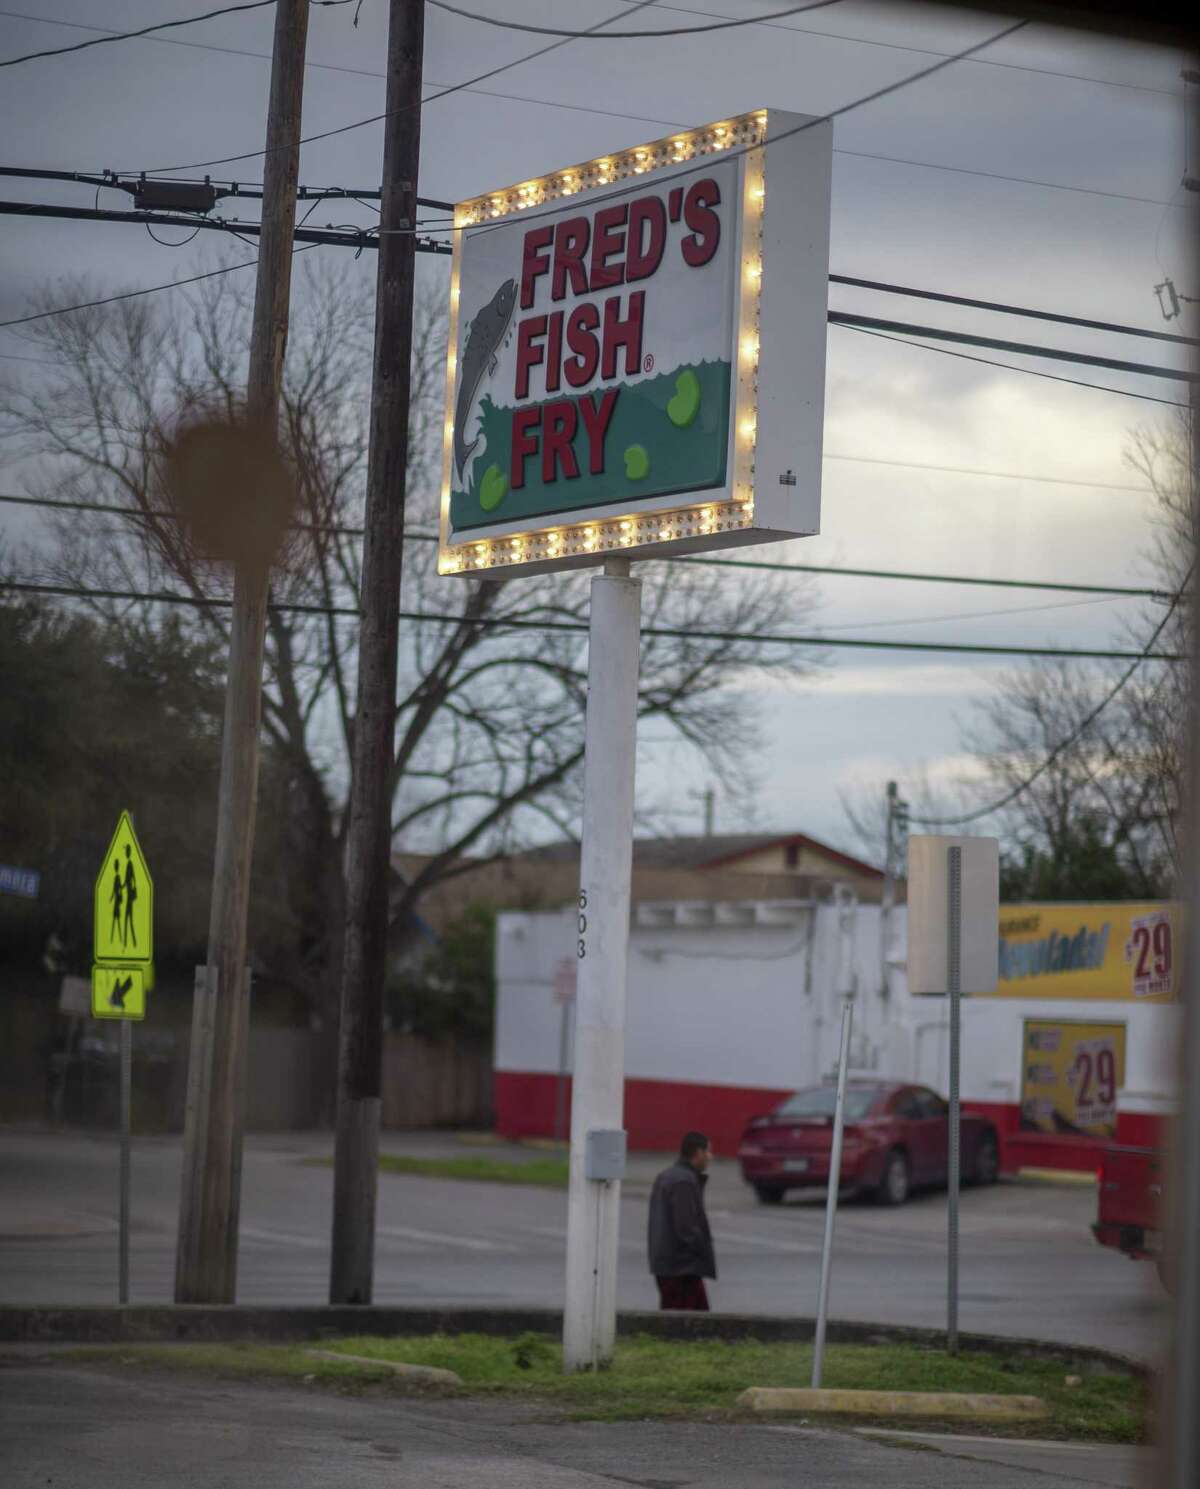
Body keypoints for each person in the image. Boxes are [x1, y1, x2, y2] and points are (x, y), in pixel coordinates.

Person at [647, 1130, 716, 1311]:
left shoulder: (669, 1176)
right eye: (708, 1152)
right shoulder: (683, 1181)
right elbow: (686, 1227)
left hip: (671, 1265)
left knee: (696, 1321)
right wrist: (703, 1249)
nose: (711, 1157)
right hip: (681, 1267)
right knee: (686, 1325)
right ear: (698, 1153)